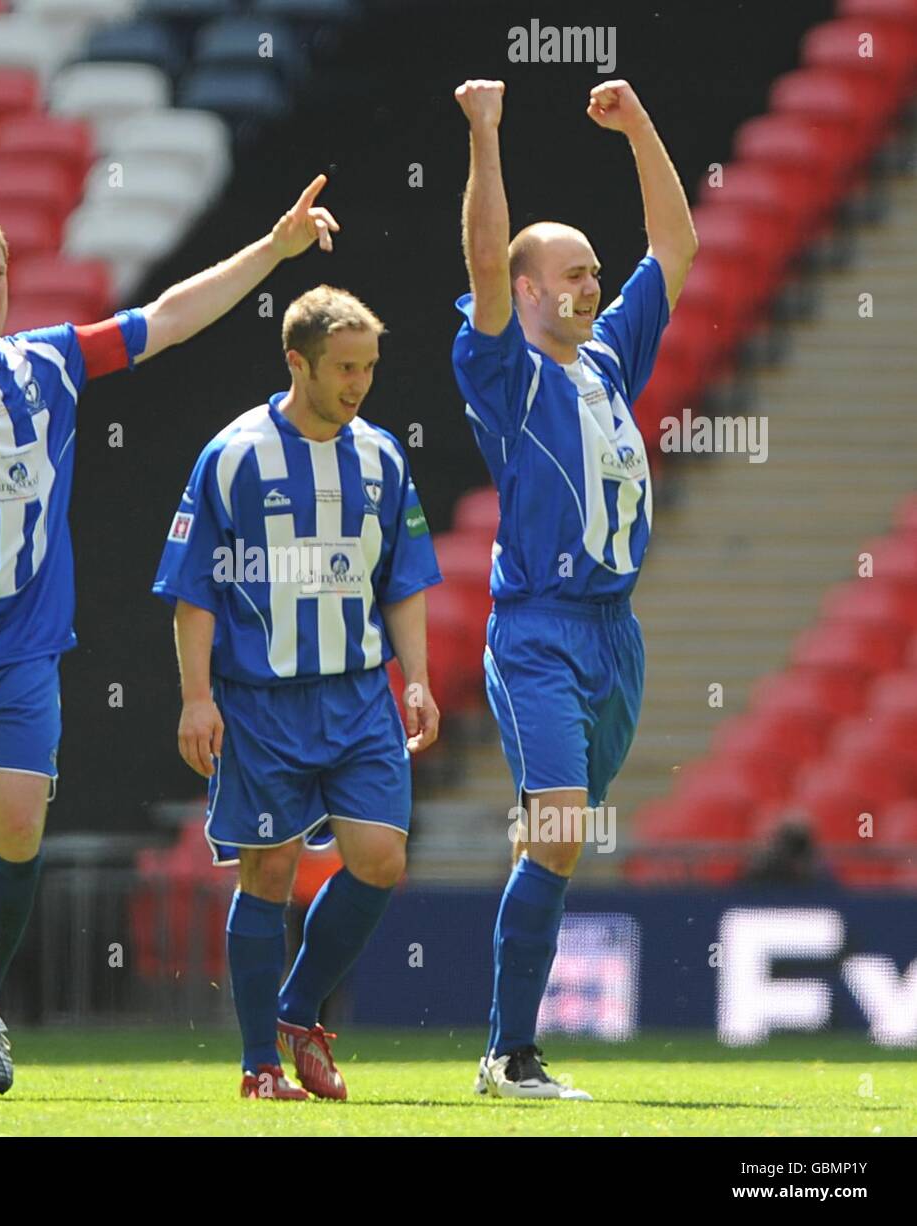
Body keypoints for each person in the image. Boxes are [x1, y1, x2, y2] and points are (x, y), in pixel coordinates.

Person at [0, 177, 341, 1097]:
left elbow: (165, 318)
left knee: (16, 821)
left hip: (22, 646)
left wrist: (274, 251)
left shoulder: (48, 363)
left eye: (0, 272)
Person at [452, 78, 697, 1099]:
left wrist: (642, 126)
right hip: (539, 632)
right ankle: (509, 1052)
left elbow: (676, 248)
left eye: (595, 271)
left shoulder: (607, 361)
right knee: (554, 826)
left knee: (557, 842)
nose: (591, 285)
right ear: (526, 289)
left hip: (614, 635)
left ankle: (511, 1044)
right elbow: (483, 256)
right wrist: (484, 135)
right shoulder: (506, 372)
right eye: (572, 273)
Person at [153, 285, 442, 1099]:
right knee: (269, 874)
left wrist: (415, 678)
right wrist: (197, 696)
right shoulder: (235, 455)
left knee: (380, 859)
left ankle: (296, 1008)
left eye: (370, 368)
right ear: (297, 361)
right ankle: (258, 1066)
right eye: (344, 368)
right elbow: (195, 588)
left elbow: (405, 578)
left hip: (357, 695)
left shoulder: (383, 456)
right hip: (261, 703)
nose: (358, 384)